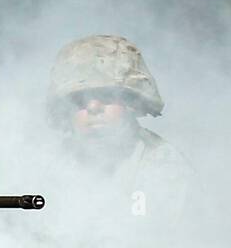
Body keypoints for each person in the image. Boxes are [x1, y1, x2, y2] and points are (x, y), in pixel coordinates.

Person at [47, 34, 193, 221]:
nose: (93, 107)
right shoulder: (51, 163)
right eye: (79, 100)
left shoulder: (164, 167)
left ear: (131, 102)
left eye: (106, 95)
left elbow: (172, 242)